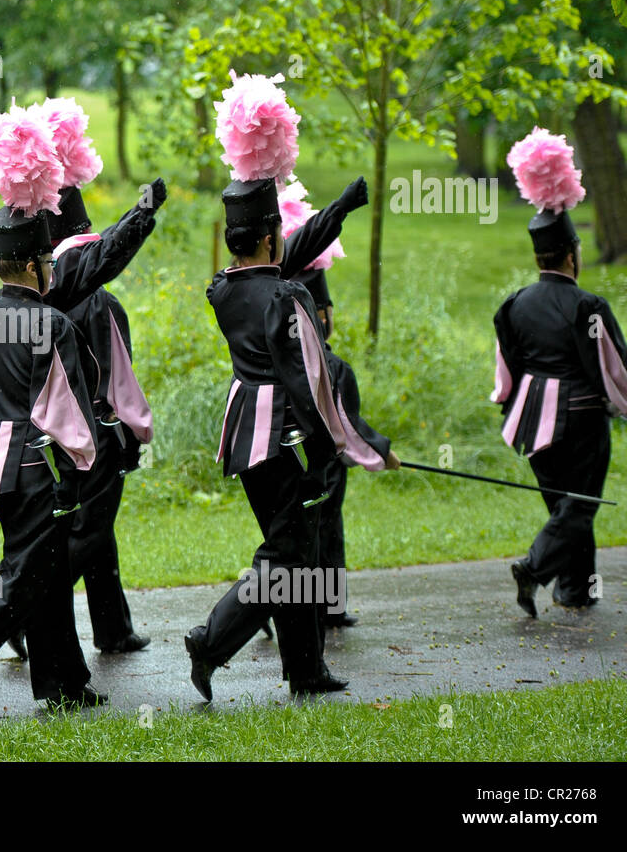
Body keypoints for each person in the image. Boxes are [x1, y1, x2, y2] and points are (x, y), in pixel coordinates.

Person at [0, 105, 161, 720]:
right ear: (33, 264)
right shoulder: (49, 320)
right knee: (23, 576)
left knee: (49, 575)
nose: (55, 266)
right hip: (36, 468)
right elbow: (67, 410)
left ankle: (63, 683)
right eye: (48, 260)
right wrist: (84, 468)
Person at [186, 71, 384, 699]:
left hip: (245, 431)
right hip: (286, 435)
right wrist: (361, 441)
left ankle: (306, 669)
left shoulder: (225, 288)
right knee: (288, 550)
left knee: (291, 549)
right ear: (270, 236)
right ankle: (212, 639)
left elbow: (289, 250)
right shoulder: (288, 295)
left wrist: (337, 213)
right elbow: (316, 385)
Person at [496, 128, 627, 616]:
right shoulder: (589, 305)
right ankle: (535, 569)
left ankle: (575, 591)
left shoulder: (514, 304)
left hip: (531, 421)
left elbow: (506, 371)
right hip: (581, 420)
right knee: (580, 506)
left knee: (564, 507)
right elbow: (613, 370)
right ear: (571, 255)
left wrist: (510, 406)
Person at [38, 96, 158, 654]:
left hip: (61, 433)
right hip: (101, 430)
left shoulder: (49, 292)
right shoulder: (100, 301)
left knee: (95, 529)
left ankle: (113, 628)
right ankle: (26, 611)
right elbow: (120, 381)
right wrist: (136, 433)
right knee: (88, 533)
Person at [278, 177, 396, 629]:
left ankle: (292, 605)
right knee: (325, 523)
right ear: (321, 315)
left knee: (290, 534)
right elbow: (347, 424)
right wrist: (382, 450)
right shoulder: (334, 366)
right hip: (322, 461)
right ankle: (327, 604)